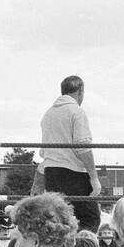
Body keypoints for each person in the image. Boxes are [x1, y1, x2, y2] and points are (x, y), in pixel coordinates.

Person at [40, 75, 102, 233]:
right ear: (81, 91)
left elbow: (43, 151)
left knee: (60, 219)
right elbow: (82, 147)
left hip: (50, 173)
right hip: (72, 172)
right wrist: (94, 177)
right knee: (90, 217)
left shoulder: (48, 115)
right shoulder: (77, 112)